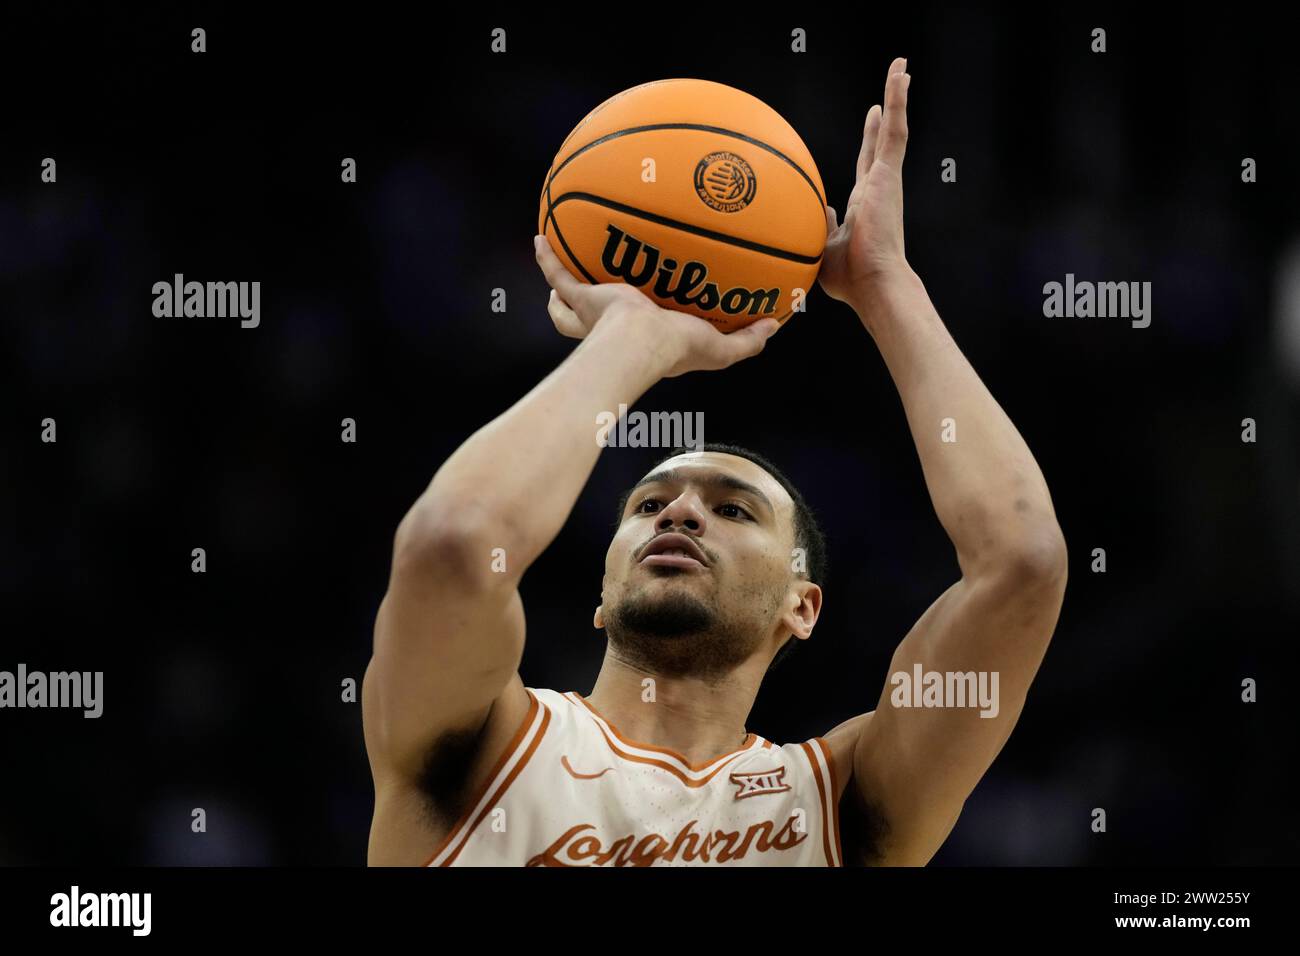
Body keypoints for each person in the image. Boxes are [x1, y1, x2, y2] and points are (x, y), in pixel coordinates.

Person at [362, 57, 1068, 866]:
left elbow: (1024, 563)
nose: (680, 512)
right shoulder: (481, 746)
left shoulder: (841, 803)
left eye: (735, 509)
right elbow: (451, 543)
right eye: (647, 505)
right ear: (601, 588)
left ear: (803, 606)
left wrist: (885, 285)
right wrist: (636, 337)